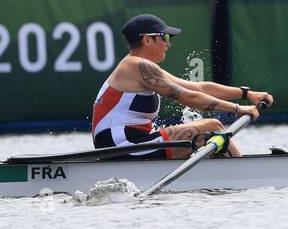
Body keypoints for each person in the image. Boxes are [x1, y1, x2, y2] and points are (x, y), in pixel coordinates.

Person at [92, 13, 274, 158]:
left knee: (210, 134)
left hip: (125, 144)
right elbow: (190, 98)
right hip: (120, 146)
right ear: (147, 39)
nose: (168, 44)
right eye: (164, 37)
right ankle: (243, 180)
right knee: (212, 127)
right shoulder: (137, 66)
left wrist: (246, 94)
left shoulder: (139, 66)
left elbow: (198, 88)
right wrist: (238, 109)